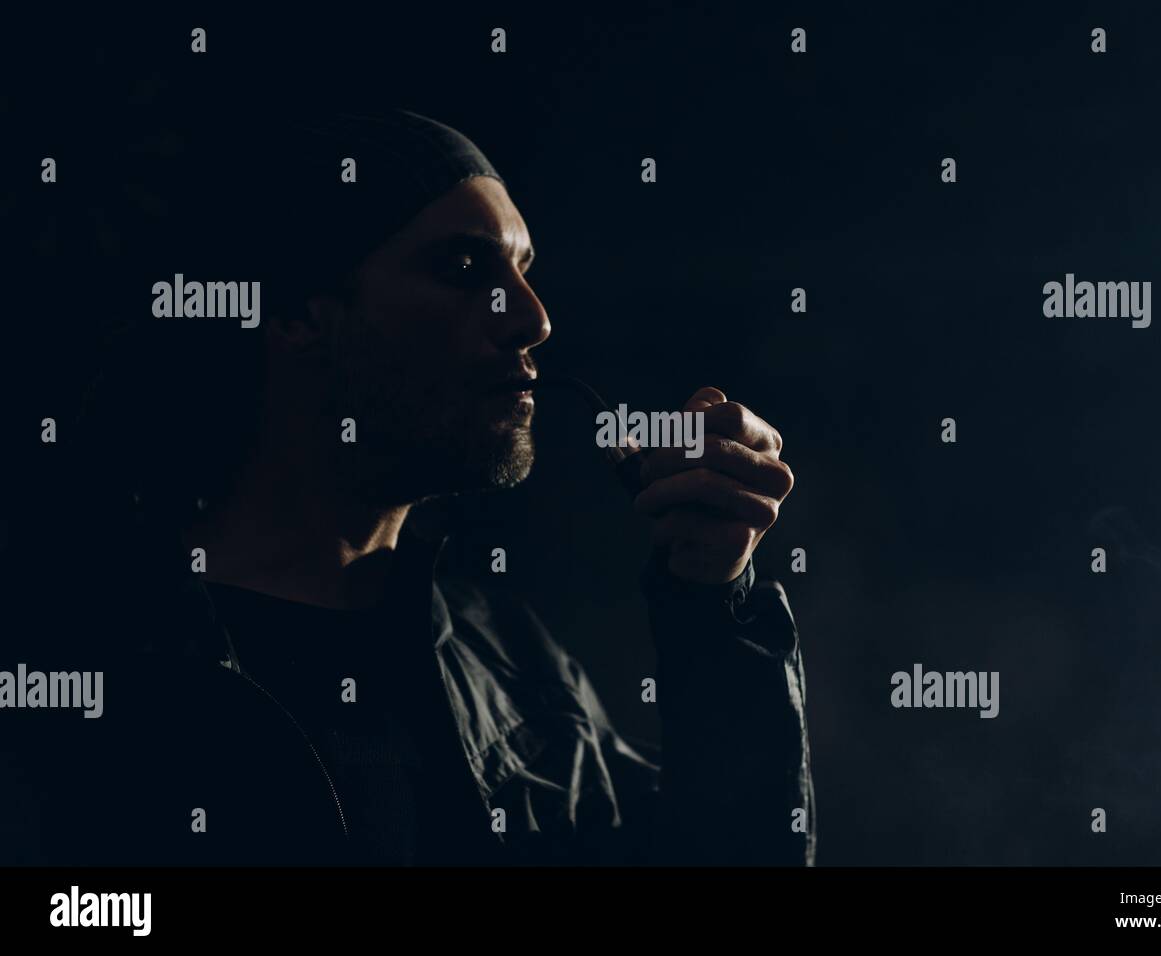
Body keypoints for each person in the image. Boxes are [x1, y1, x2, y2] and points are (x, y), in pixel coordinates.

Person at [0, 108, 814, 866]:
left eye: (524, 270)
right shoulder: (74, 663)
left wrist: (714, 603)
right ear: (297, 314)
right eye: (464, 268)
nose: (533, 319)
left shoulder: (518, 667)